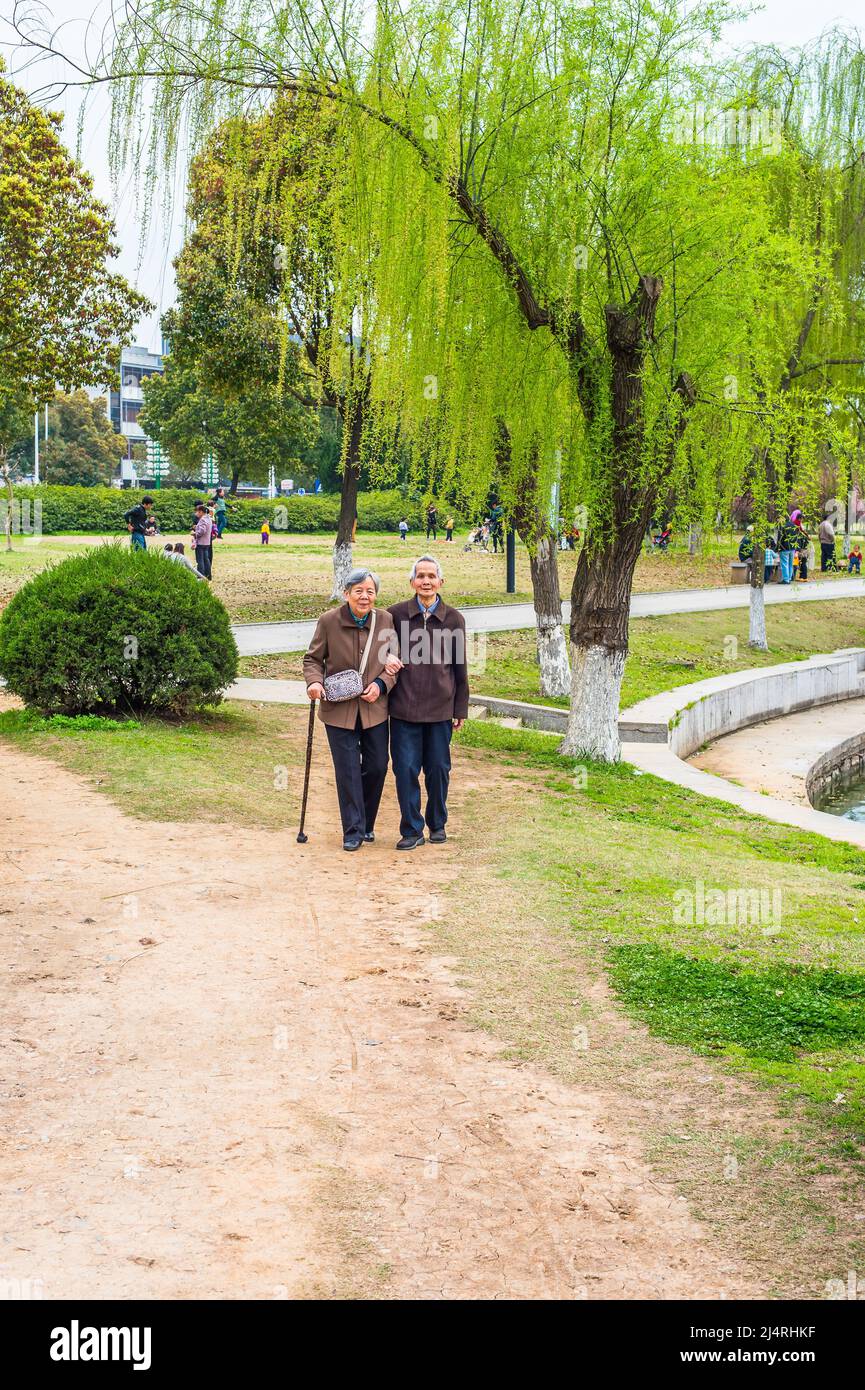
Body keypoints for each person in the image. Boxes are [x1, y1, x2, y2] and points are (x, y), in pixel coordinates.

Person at [303, 569, 399, 851]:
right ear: (347, 594)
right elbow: (312, 660)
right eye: (358, 591)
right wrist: (314, 683)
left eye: (370, 591)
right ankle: (353, 829)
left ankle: (367, 821)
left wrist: (382, 684)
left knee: (378, 765)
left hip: (374, 709)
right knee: (347, 771)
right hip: (338, 710)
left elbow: (393, 663)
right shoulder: (329, 621)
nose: (364, 597)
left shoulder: (386, 620)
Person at [386, 555, 469, 850]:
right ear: (412, 582)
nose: (426, 581)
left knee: (438, 770)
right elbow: (379, 653)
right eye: (420, 576)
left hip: (440, 711)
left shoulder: (454, 619)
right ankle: (411, 829)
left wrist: (460, 709)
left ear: (440, 582)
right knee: (405, 769)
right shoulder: (394, 616)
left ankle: (437, 823)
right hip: (403, 710)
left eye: (431, 576)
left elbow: (460, 669)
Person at [777, 511, 799, 583]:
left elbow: (779, 538)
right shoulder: (794, 525)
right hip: (792, 548)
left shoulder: (782, 526)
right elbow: (796, 537)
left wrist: (778, 548)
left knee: (784, 564)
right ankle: (789, 578)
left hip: (784, 548)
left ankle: (786, 579)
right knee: (790, 564)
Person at [192, 503, 213, 579]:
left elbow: (202, 531)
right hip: (207, 543)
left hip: (201, 543)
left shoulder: (202, 519)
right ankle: (208, 575)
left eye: (197, 512)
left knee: (200, 560)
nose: (196, 513)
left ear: (201, 512)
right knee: (206, 559)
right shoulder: (209, 518)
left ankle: (201, 576)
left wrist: (194, 533)